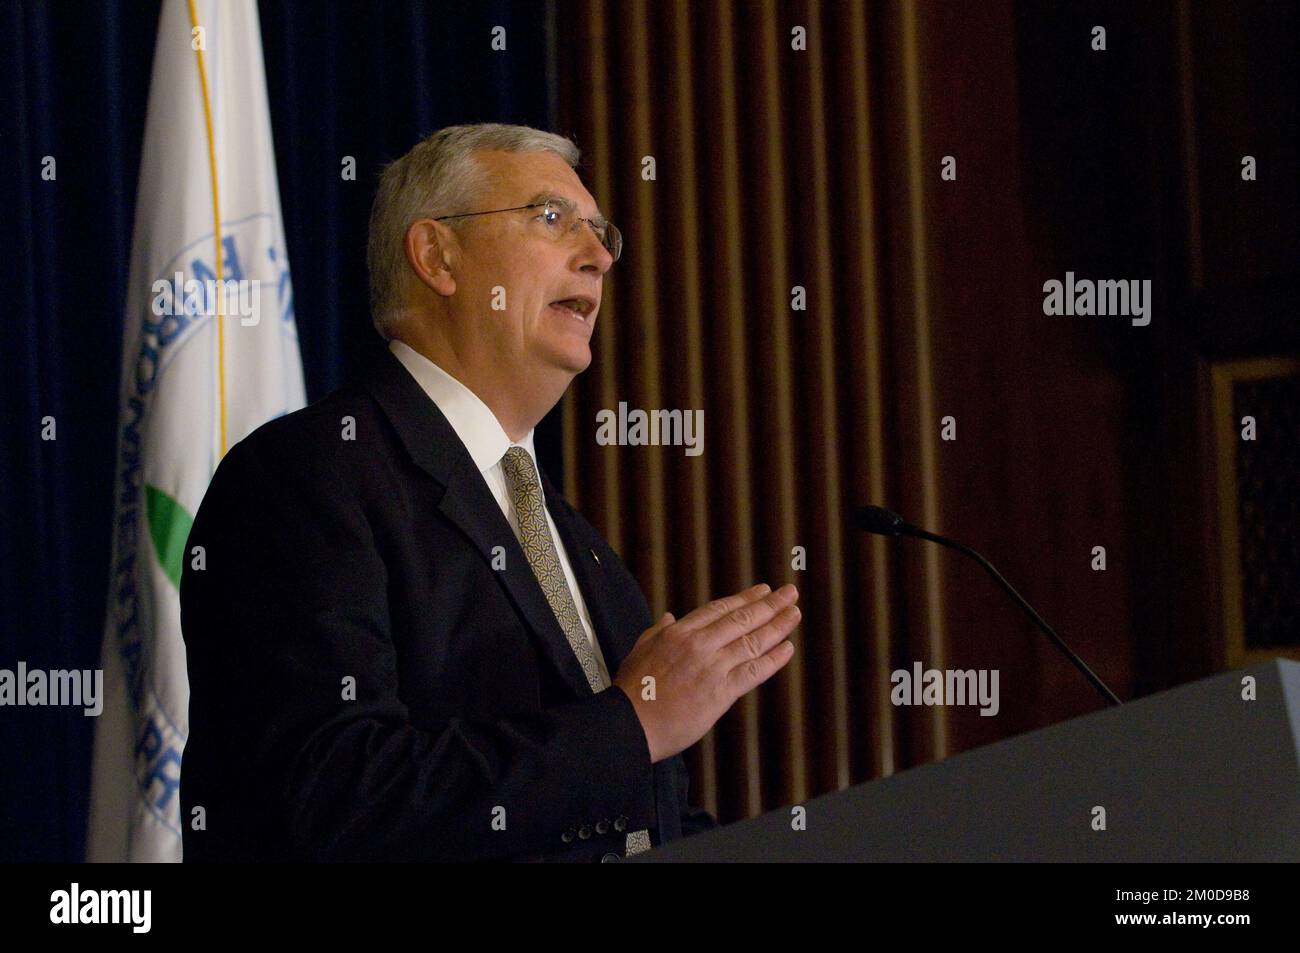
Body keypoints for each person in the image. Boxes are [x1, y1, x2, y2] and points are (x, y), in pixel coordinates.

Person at [179, 123, 801, 862]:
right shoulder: (307, 477)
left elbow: (643, 823)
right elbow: (331, 795)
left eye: (602, 233)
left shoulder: (582, 549)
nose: (599, 255)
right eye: (551, 218)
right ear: (437, 255)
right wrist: (629, 724)